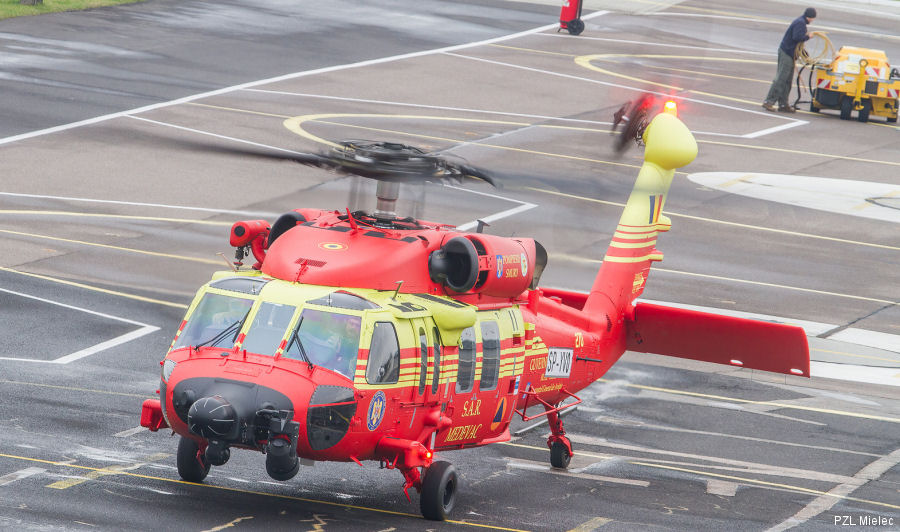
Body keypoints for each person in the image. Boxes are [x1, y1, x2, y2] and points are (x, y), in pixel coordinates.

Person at [762, 8, 817, 113]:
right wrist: (808, 37)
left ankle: (783, 104)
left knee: (787, 80)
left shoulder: (801, 22)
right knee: (781, 78)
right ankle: (769, 102)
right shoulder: (800, 23)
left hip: (790, 54)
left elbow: (798, 44)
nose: (812, 20)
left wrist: (805, 54)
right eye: (813, 18)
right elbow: (797, 37)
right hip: (786, 53)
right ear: (810, 17)